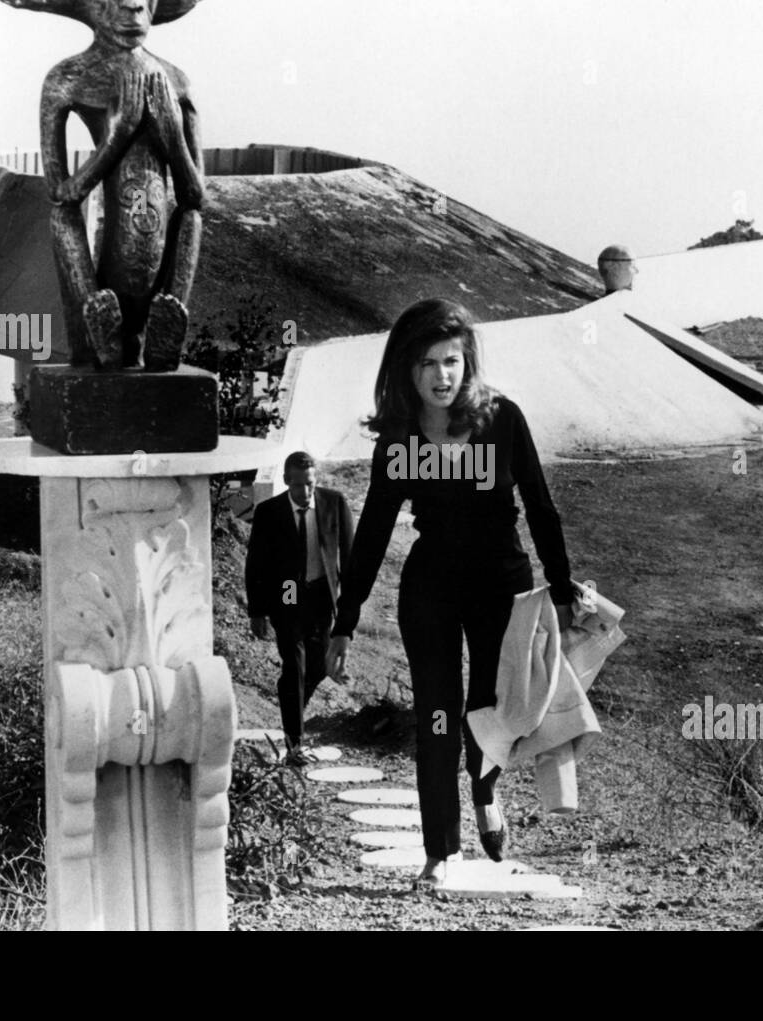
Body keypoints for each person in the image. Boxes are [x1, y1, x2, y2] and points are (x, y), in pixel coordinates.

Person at [325, 299, 574, 888]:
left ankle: (485, 790)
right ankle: (440, 849)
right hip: (431, 584)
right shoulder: (401, 439)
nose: (442, 375)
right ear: (406, 371)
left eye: (452, 361)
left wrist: (562, 588)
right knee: (436, 713)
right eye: (428, 363)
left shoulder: (501, 419)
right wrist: (345, 620)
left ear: (468, 363)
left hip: (500, 582)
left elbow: (539, 506)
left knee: (484, 710)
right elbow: (374, 532)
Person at [246, 451, 355, 766]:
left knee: (319, 666)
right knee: (295, 666)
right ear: (286, 482)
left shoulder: (334, 503)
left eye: (309, 484)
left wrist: (349, 609)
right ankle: (294, 745)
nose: (305, 493)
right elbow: (256, 564)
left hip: (322, 595)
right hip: (288, 594)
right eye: (298, 486)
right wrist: (257, 611)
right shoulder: (269, 512)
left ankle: (291, 703)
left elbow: (349, 559)